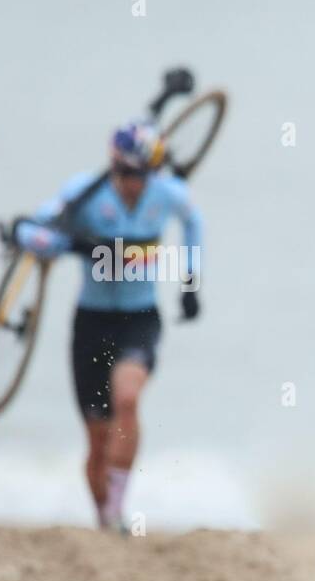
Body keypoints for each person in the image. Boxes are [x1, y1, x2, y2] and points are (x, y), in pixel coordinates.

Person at [15, 121, 203, 532]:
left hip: (139, 319)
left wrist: (191, 282)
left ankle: (118, 508)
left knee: (129, 400)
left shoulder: (166, 194)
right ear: (114, 166)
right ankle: (103, 514)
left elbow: (194, 223)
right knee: (97, 441)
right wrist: (36, 236)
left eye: (141, 175)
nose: (133, 184)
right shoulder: (85, 192)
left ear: (151, 172)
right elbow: (37, 229)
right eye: (125, 174)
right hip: (91, 322)